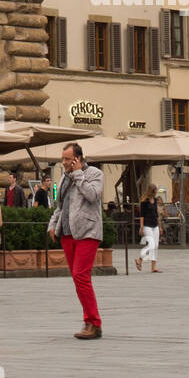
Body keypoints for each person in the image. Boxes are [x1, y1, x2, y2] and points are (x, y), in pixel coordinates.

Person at [48, 142, 104, 339]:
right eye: (62, 159)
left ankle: (94, 323)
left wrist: (79, 174)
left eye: (67, 159)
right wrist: (52, 224)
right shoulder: (64, 177)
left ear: (78, 158)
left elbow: (92, 195)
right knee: (78, 279)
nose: (63, 163)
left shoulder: (95, 173)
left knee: (81, 276)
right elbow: (59, 205)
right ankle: (89, 320)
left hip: (87, 231)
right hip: (68, 233)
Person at [136, 183, 162, 273]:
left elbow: (157, 214)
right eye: (155, 191)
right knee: (151, 244)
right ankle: (140, 259)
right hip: (147, 225)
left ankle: (153, 267)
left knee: (156, 246)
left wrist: (160, 226)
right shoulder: (144, 201)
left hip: (155, 225)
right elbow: (142, 215)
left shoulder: (155, 200)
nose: (156, 193)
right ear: (152, 191)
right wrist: (141, 226)